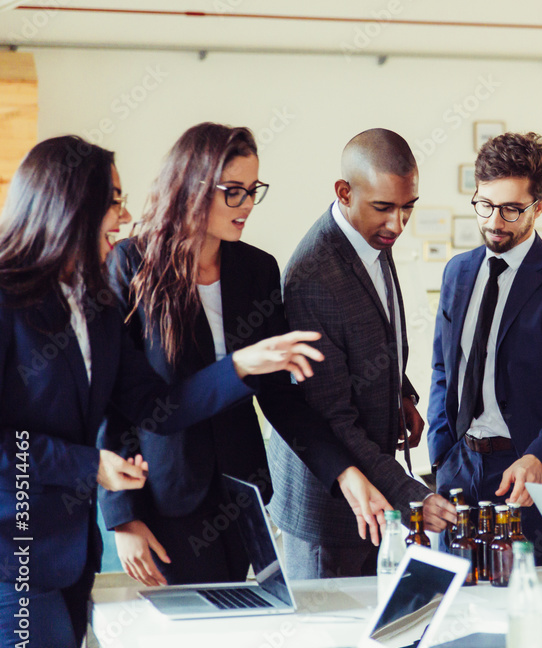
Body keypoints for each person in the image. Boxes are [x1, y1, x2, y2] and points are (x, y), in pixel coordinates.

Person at [0, 136, 322, 648]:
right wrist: (92, 467)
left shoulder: (94, 306)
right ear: (69, 205)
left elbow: (155, 407)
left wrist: (242, 365)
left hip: (69, 555)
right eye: (114, 200)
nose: (125, 216)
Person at [99, 123, 391, 588]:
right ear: (190, 188)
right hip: (162, 499)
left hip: (241, 497)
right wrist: (121, 518)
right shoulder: (130, 264)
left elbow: (282, 397)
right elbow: (113, 403)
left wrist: (345, 473)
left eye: (253, 191)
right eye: (232, 192)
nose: (247, 205)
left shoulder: (257, 269)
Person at [268, 129, 455, 579]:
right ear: (344, 192)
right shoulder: (311, 277)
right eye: (384, 208)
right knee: (326, 642)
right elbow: (333, 419)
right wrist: (413, 494)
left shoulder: (370, 235)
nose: (398, 224)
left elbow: (372, 331)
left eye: (407, 207)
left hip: (371, 490)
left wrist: (401, 392)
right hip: (327, 511)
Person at [427, 132, 542, 566]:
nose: (494, 221)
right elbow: (442, 370)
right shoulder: (457, 273)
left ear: (539, 206)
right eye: (485, 204)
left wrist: (538, 459)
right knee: (462, 606)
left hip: (531, 479)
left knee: (530, 610)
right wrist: (441, 455)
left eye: (510, 209)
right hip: (460, 472)